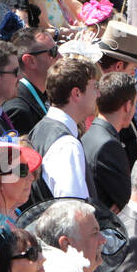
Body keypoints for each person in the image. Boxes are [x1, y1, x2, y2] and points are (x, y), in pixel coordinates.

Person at [28, 56, 100, 205]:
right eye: (95, 87)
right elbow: (74, 210)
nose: (98, 94)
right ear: (77, 93)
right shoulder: (66, 145)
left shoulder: (41, 128)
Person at [82, 71, 137, 214]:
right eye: (135, 104)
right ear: (127, 106)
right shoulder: (109, 145)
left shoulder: (88, 135)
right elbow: (127, 200)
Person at [4, 28, 57, 135]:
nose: (60, 56)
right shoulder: (17, 110)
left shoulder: (48, 93)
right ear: (30, 61)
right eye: (53, 52)